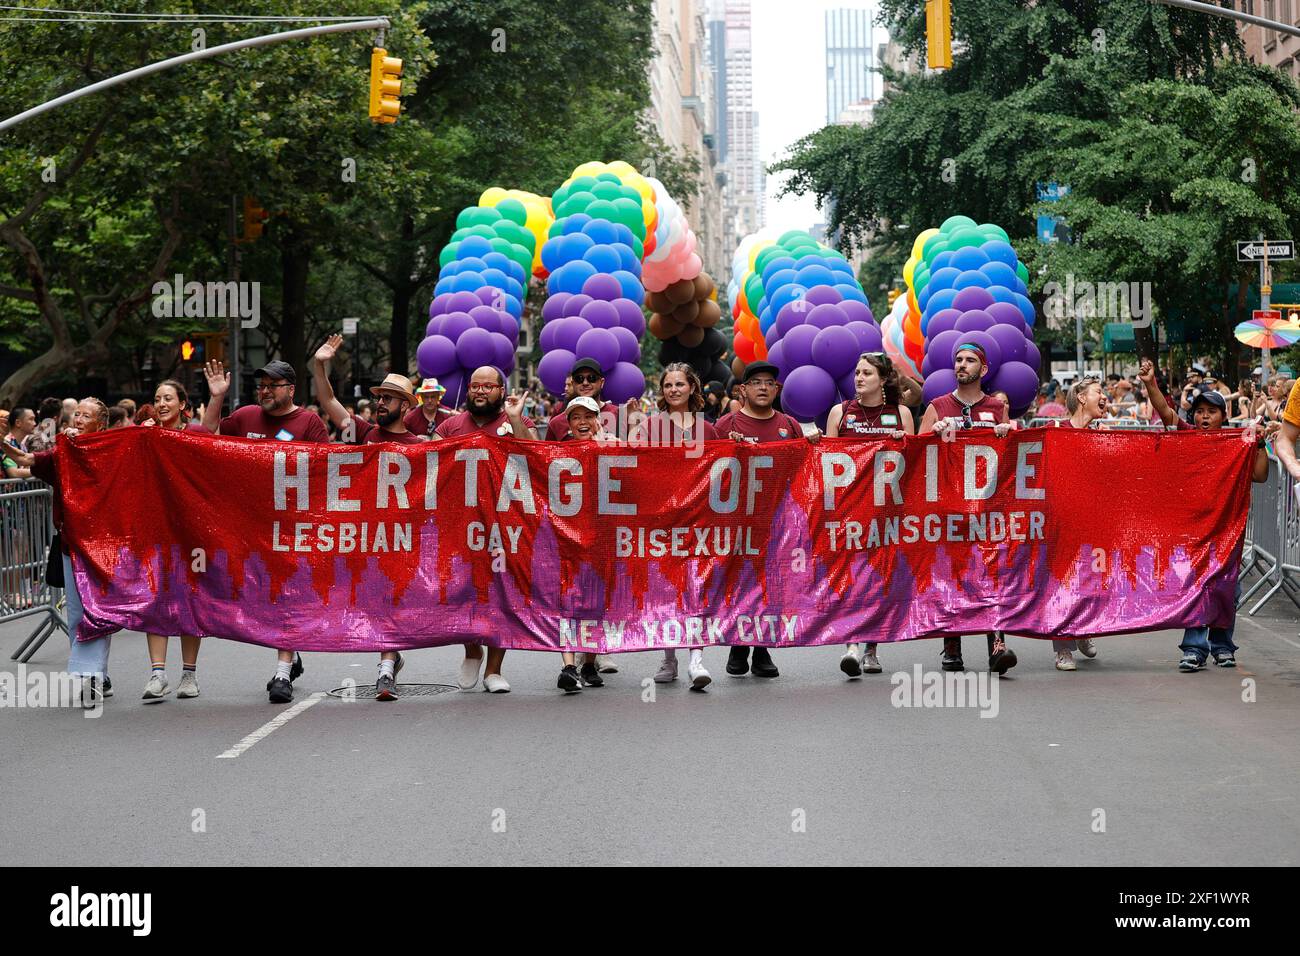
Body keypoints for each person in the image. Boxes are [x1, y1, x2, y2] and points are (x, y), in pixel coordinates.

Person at [202, 358, 329, 704]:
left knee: (288, 594)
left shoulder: (309, 422)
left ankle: (282, 672)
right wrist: (216, 398)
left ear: (290, 389)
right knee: (267, 598)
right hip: (251, 527)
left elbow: (326, 473)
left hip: (292, 528)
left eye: (272, 385)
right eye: (261, 385)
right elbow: (205, 438)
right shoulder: (244, 417)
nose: (265, 391)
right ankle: (291, 653)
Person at [312, 334, 428, 700]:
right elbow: (328, 401)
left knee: (391, 601)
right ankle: (389, 661)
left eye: (388, 399)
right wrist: (320, 364)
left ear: (405, 405)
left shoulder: (422, 447)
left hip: (402, 540)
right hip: (364, 537)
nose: (380, 403)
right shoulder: (361, 432)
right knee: (374, 601)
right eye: (378, 397)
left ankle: (386, 668)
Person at [1144, 360, 1272, 670]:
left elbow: (1260, 475)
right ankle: (1194, 649)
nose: (1204, 416)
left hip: (1228, 530)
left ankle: (1223, 645)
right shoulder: (1186, 436)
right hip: (1194, 529)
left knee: (1228, 587)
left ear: (1222, 417)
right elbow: (1166, 413)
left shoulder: (1236, 443)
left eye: (1211, 411)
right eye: (1200, 411)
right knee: (1197, 584)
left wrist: (1258, 442)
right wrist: (1151, 384)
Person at [715, 361, 821, 679]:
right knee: (741, 581)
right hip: (738, 520)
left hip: (779, 520)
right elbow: (707, 472)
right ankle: (738, 643)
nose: (763, 387)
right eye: (756, 382)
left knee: (771, 583)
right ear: (743, 390)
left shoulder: (789, 425)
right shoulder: (725, 424)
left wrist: (813, 447)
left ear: (777, 390)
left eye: (769, 382)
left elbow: (806, 471)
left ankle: (761, 648)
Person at [919, 342, 1018, 675]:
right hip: (948, 509)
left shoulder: (996, 407)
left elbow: (1013, 459)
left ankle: (997, 644)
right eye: (958, 359)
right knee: (951, 575)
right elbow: (915, 457)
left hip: (988, 509)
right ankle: (951, 645)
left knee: (991, 573)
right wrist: (930, 435)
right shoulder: (937, 406)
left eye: (969, 360)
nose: (961, 365)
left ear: (983, 369)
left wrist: (1009, 435)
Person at [436, 365, 536, 694]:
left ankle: (494, 669)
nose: (480, 391)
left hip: (504, 525)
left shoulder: (512, 422)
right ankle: (471, 650)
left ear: (500, 392)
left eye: (488, 386)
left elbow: (537, 456)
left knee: (501, 593)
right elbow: (424, 463)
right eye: (475, 386)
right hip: (458, 525)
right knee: (462, 590)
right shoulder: (450, 426)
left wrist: (517, 419)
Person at [628, 364, 719, 690]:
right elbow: (635, 465)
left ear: (692, 388)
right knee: (664, 590)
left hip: (697, 520)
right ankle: (669, 657)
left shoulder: (708, 430)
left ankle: (697, 658)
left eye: (680, 383)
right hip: (660, 520)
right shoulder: (652, 425)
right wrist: (633, 431)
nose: (674, 389)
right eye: (668, 384)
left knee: (695, 588)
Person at [824, 352, 915, 678]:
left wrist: (901, 444)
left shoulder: (901, 413)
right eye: (857, 373)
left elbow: (913, 465)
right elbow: (826, 461)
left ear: (882, 379)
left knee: (879, 580)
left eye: (866, 373)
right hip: (849, 511)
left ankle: (872, 648)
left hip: (887, 513)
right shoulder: (840, 412)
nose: (859, 378)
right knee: (852, 578)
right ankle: (851, 643)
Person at [28, 397, 115, 706]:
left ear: (100, 424)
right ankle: (93, 675)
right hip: (70, 544)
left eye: (86, 415)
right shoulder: (62, 452)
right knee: (77, 612)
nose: (78, 419)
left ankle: (93, 674)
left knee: (97, 610)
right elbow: (30, 461)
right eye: (76, 413)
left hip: (102, 546)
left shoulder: (111, 451)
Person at [133, 380, 211, 700]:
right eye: (157, 399)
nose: (162, 403)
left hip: (193, 534)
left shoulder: (197, 435)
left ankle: (189, 676)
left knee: (190, 602)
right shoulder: (144, 435)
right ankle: (157, 674)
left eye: (168, 398)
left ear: (182, 404)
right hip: (155, 532)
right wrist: (143, 439)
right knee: (156, 600)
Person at [549, 396, 616, 692]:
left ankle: (590, 663)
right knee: (567, 600)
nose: (583, 422)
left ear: (598, 419)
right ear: (569, 423)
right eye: (576, 417)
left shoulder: (612, 447)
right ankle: (568, 666)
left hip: (602, 536)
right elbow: (527, 456)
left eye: (588, 416)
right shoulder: (559, 451)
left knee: (597, 600)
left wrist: (606, 448)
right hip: (567, 537)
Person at [544, 359, 621, 440]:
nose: (585, 383)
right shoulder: (556, 423)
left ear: (602, 382)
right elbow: (547, 452)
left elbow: (631, 450)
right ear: (573, 384)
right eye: (579, 379)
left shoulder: (620, 415)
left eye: (592, 378)